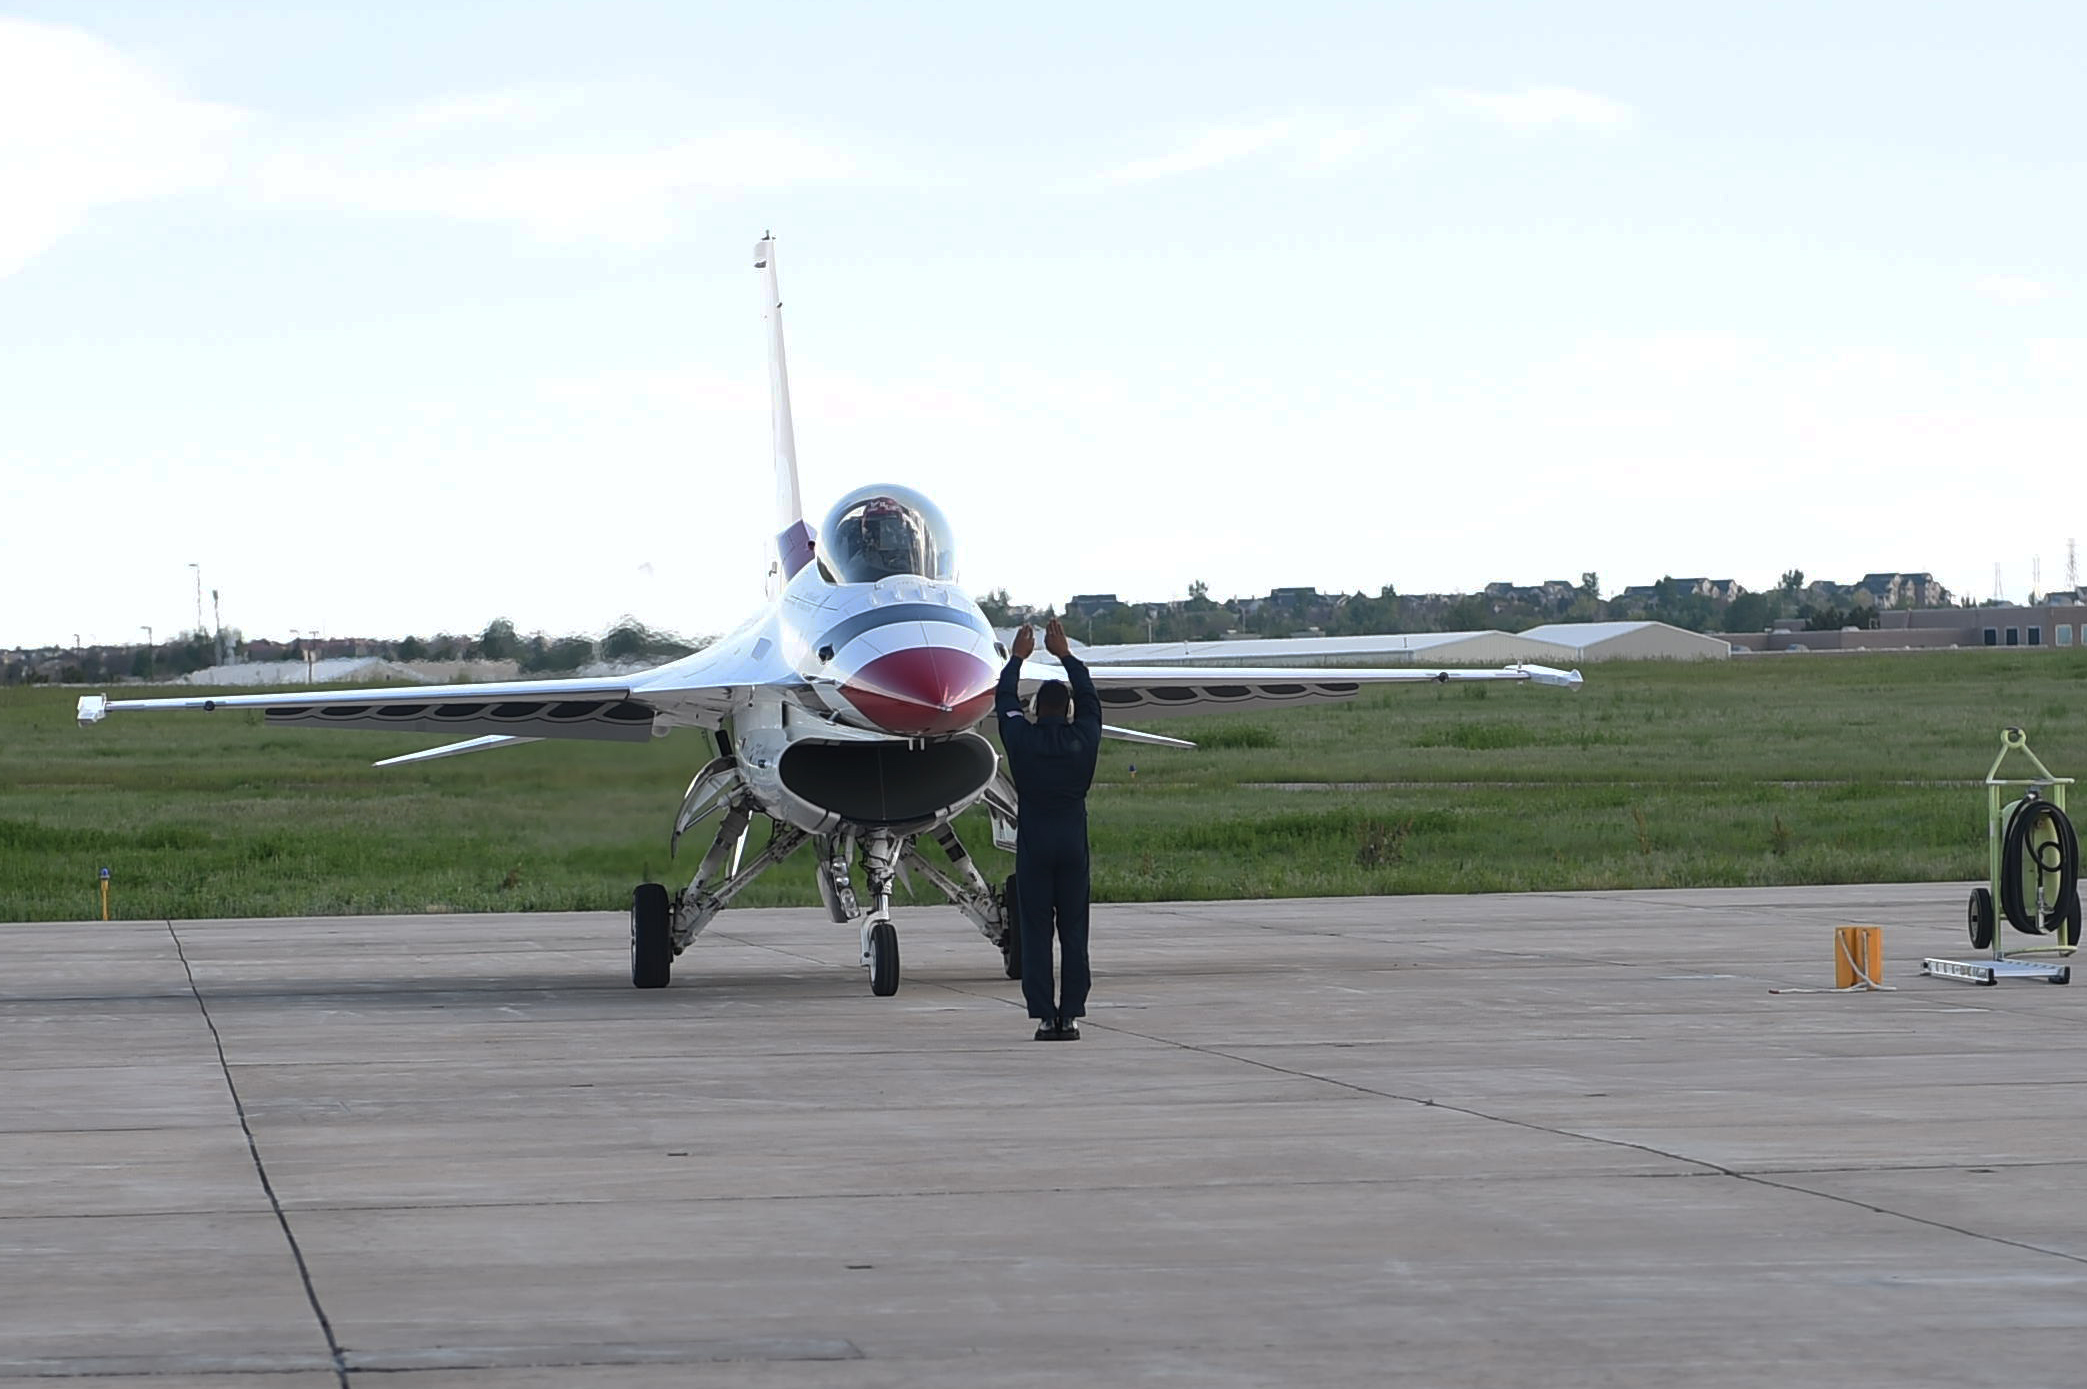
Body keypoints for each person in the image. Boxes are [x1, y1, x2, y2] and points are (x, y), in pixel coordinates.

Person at [996, 617, 1102, 1040]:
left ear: (1035, 711)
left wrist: (1016, 660)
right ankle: (1071, 1015)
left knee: (1037, 932)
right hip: (1073, 843)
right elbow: (1092, 700)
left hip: (1035, 842)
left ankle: (1044, 1016)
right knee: (1074, 931)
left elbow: (1003, 699)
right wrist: (1067, 657)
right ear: (1070, 711)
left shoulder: (1022, 740)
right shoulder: (1086, 737)